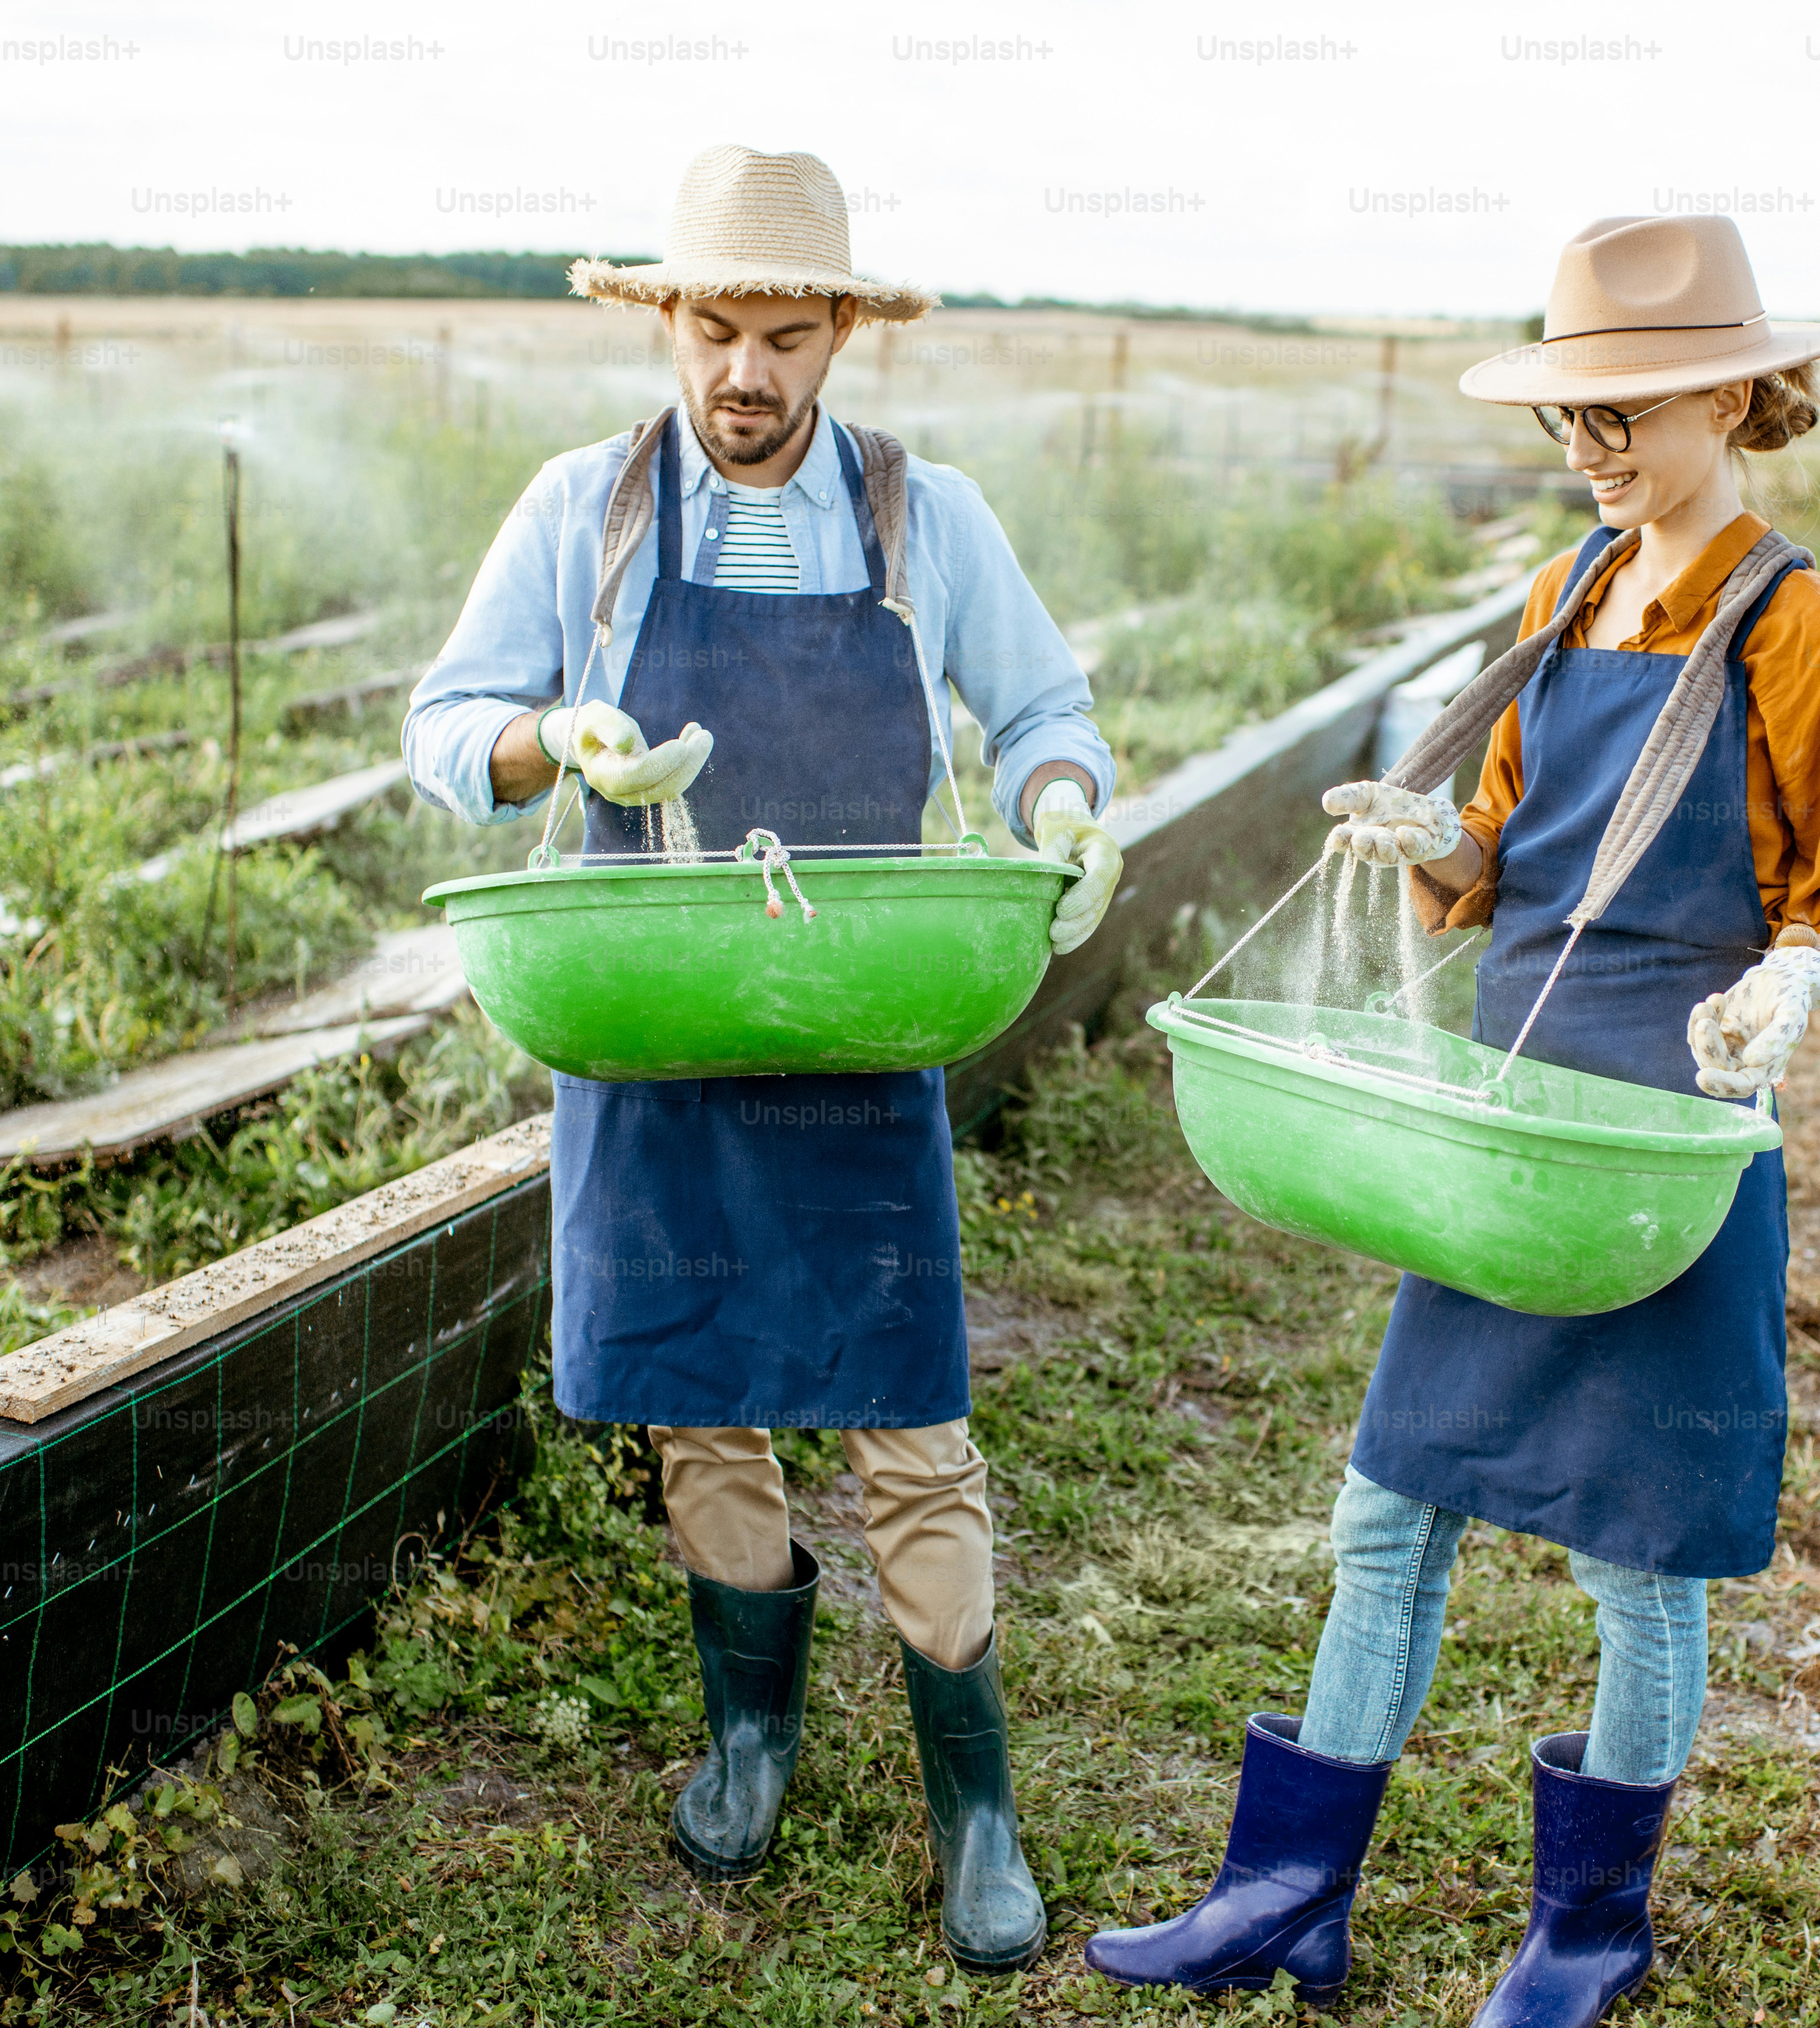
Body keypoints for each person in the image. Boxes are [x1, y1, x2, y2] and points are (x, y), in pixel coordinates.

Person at [1084, 214, 1820, 2025]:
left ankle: (1587, 1933)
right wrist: (1428, 837)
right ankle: (1287, 1891)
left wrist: (1797, 990)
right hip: (1513, 1130)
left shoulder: (1804, 623)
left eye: (1626, 411)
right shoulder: (1561, 600)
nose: (1593, 449)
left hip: (1667, 1146)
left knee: (1635, 1557)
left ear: (1736, 394)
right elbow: (1495, 868)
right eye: (1570, 416)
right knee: (1391, 1512)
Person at [401, 144, 1122, 1976]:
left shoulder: (918, 519)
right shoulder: (586, 512)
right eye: (713, 329)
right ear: (664, 320)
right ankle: (753, 1729)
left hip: (851, 1017)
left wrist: (1063, 804)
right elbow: (442, 723)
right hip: (650, 1016)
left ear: (840, 338)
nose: (745, 373)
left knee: (909, 1406)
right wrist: (546, 738)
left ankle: (977, 1798)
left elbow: (1041, 708)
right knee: (703, 1391)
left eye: (785, 336)